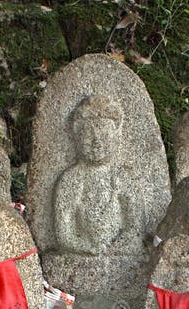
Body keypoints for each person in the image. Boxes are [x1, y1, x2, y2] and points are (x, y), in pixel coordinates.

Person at [53, 95, 138, 254]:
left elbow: (135, 229)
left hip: (120, 258)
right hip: (78, 260)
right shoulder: (71, 179)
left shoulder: (123, 176)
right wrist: (88, 248)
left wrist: (114, 248)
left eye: (104, 135)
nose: (96, 142)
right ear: (76, 138)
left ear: (116, 137)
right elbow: (64, 235)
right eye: (88, 136)